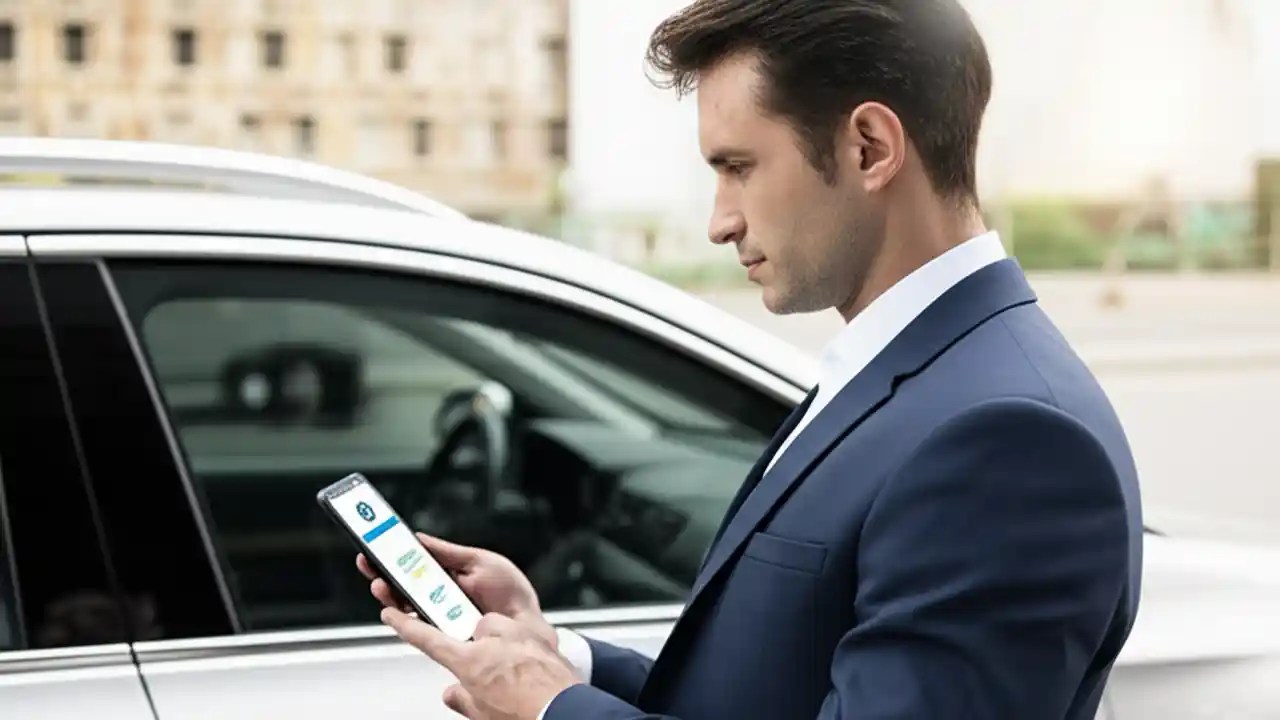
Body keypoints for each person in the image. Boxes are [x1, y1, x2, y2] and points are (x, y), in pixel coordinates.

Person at [358, 0, 1144, 718]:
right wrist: (555, 660)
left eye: (738, 167)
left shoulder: (1009, 443)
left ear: (870, 147)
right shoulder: (910, 371)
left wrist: (549, 712)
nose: (719, 222)